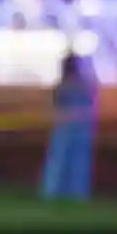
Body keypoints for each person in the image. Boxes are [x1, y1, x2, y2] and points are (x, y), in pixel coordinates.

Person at [41, 55, 97, 201]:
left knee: (61, 161)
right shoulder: (84, 85)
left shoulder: (65, 85)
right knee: (76, 161)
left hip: (67, 127)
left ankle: (55, 192)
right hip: (78, 127)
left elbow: (56, 104)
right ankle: (75, 193)